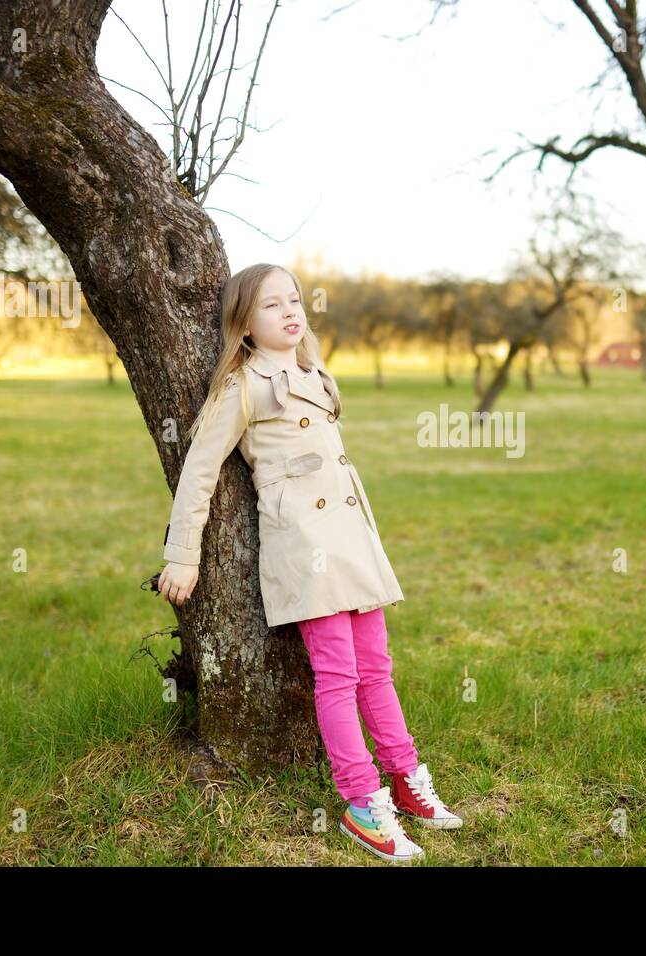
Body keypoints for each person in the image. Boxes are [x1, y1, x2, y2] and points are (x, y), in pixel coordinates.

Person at [156, 263, 461, 863]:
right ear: (244, 324)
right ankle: (361, 803)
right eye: (272, 306)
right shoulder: (242, 384)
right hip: (303, 544)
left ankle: (404, 777)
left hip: (350, 537)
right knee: (338, 676)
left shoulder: (314, 373)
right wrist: (183, 554)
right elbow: (199, 470)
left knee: (377, 666)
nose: (291, 312)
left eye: (294, 300)